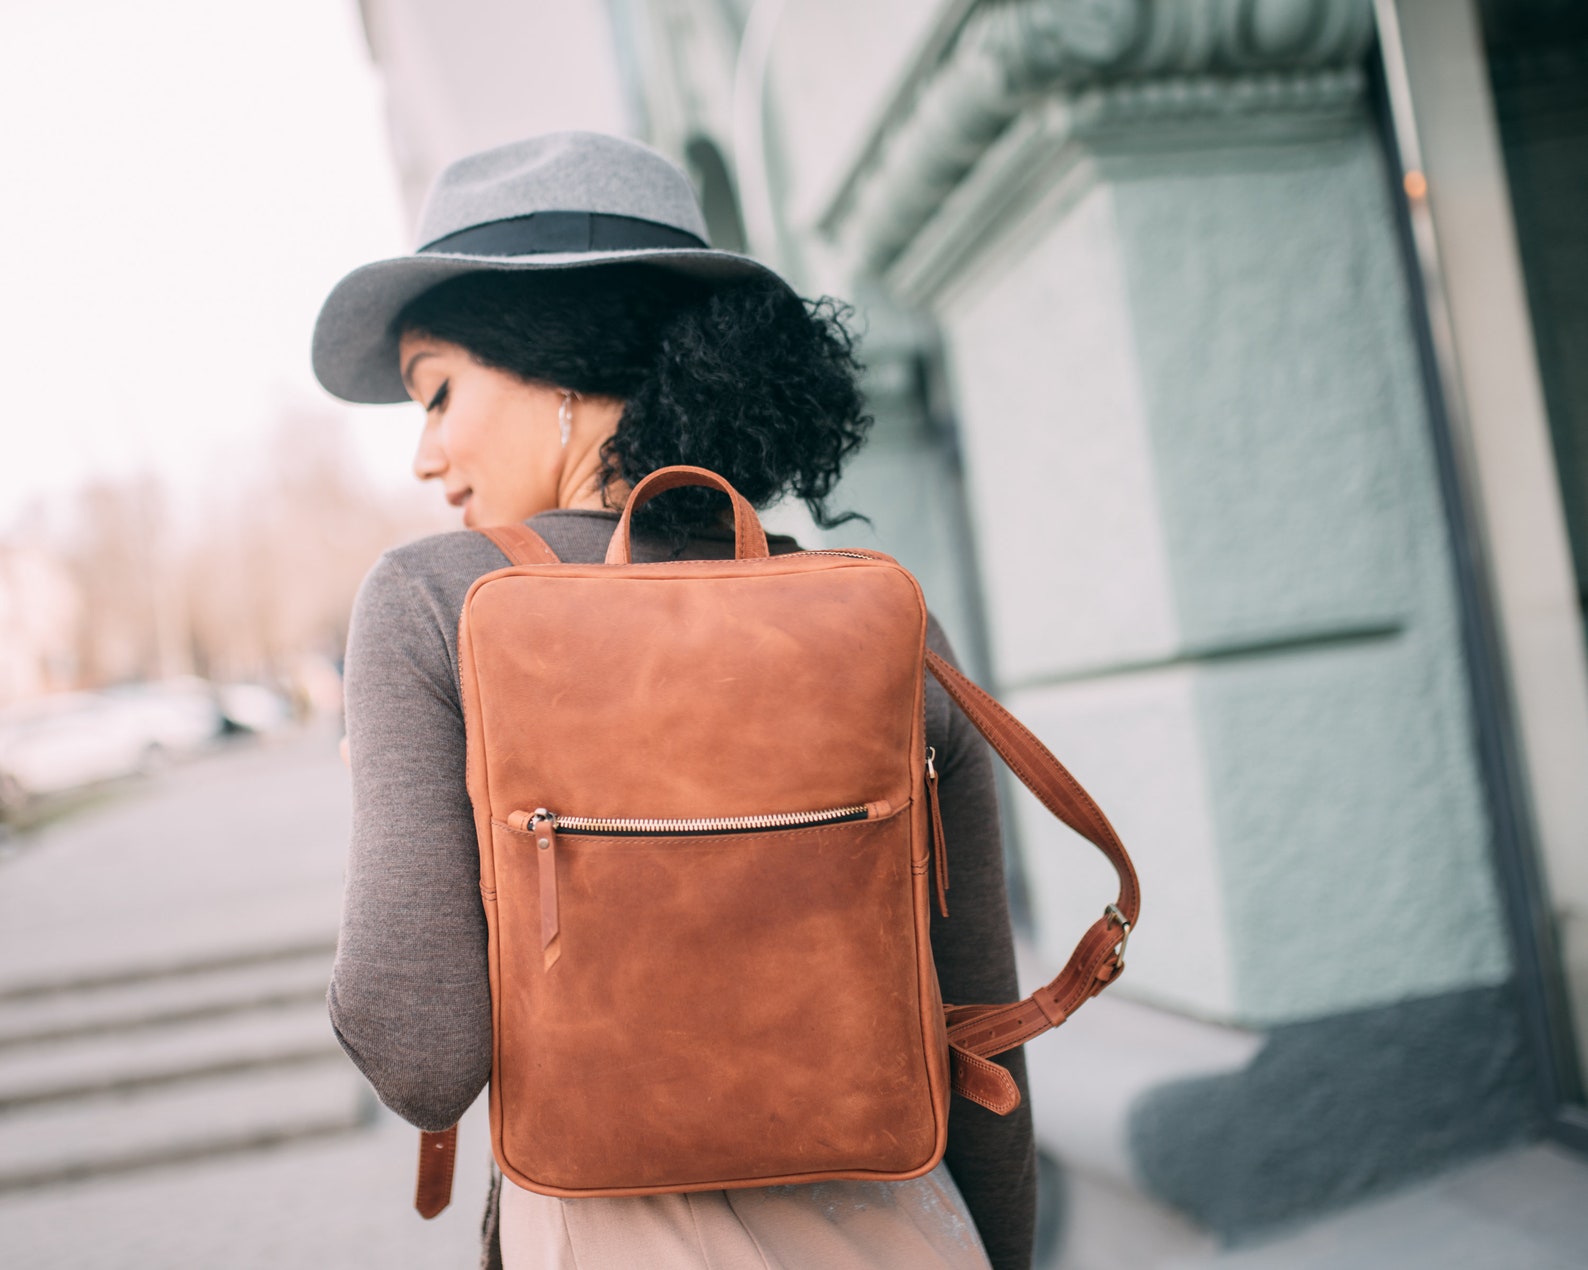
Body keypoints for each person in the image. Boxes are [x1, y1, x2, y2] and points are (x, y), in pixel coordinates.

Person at [313, 131, 1035, 1270]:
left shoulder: (433, 604)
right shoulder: (871, 612)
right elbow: (979, 1024)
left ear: (558, 363)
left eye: (437, 392)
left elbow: (419, 1055)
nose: (426, 454)